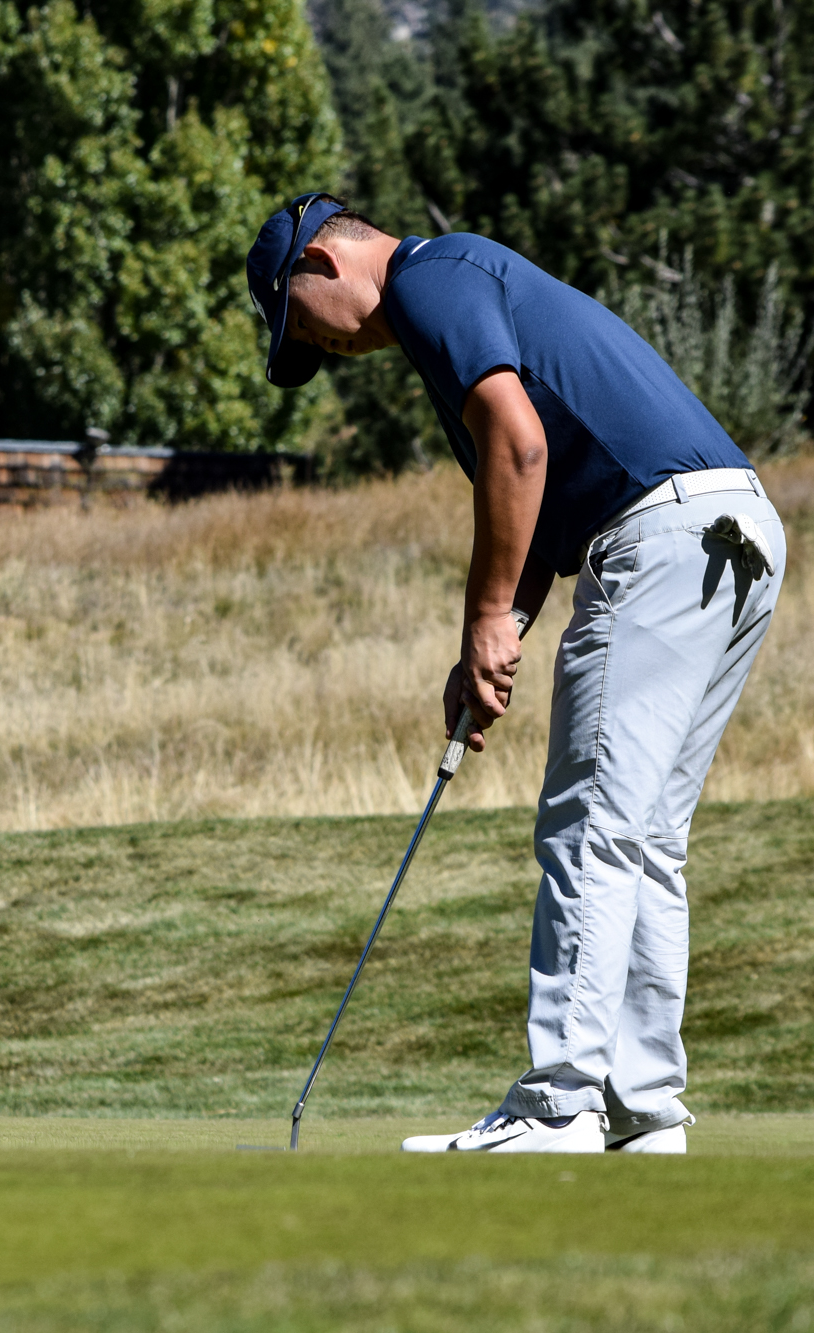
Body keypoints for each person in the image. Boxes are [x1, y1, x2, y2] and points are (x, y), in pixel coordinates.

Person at [245, 193, 786, 1154]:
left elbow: (519, 445)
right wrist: (497, 636)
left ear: (321, 268)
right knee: (646, 835)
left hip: (658, 532)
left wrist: (486, 619)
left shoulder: (426, 279)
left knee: (590, 822)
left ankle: (561, 1102)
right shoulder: (465, 283)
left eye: (303, 330)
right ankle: (642, 1106)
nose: (320, 353)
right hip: (736, 526)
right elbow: (532, 500)